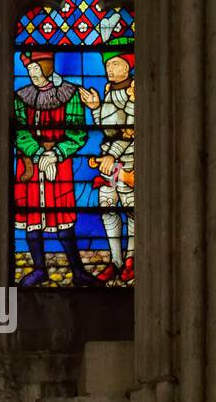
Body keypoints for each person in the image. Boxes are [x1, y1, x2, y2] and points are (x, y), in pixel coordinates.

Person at [14, 51, 95, 286]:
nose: (32, 75)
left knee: (62, 217)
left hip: (59, 166)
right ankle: (39, 269)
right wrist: (39, 155)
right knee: (31, 219)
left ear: (48, 69)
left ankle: (77, 270)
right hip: (29, 165)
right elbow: (19, 132)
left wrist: (55, 154)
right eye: (29, 71)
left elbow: (77, 132)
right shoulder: (21, 96)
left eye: (36, 70)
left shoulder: (69, 94)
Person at [81, 51, 135, 283]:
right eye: (107, 65)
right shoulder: (109, 91)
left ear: (128, 66)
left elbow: (130, 130)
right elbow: (107, 128)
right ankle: (116, 261)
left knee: (132, 209)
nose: (109, 69)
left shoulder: (134, 92)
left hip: (131, 161)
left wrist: (113, 155)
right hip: (109, 163)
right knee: (108, 207)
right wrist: (95, 108)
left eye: (115, 64)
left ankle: (133, 259)